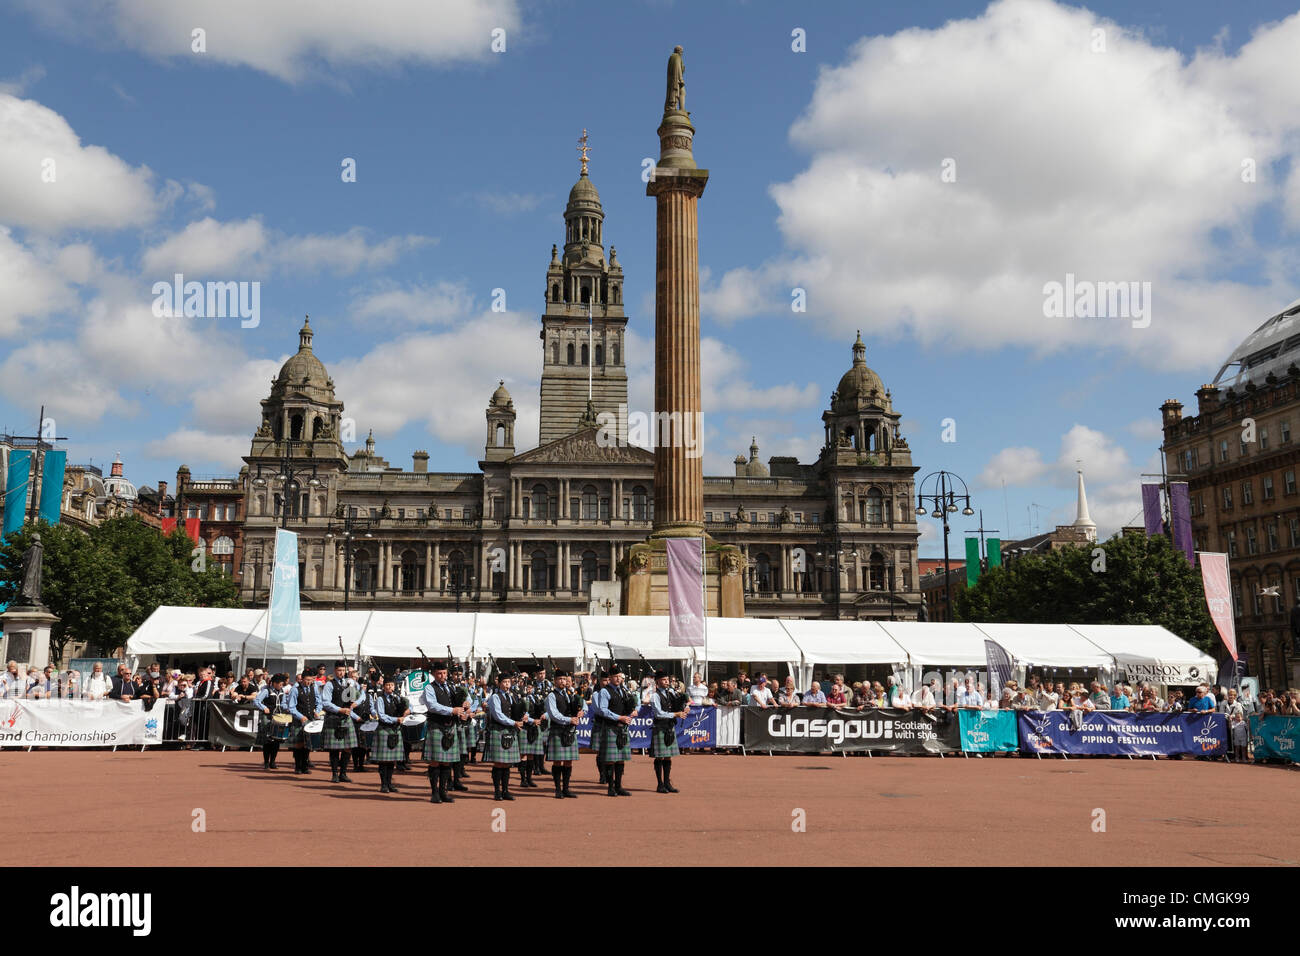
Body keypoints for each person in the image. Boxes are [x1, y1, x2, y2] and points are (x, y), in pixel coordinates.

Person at [422, 662, 462, 804]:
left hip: (450, 726)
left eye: (444, 673)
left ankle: (443, 792)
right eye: (439, 673)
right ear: (433, 673)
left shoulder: (450, 686)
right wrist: (452, 711)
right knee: (435, 762)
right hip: (437, 726)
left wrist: (465, 707)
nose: (443, 676)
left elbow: (463, 698)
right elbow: (432, 706)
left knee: (447, 762)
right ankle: (434, 793)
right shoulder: (429, 688)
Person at [485, 673, 529, 801]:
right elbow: (498, 715)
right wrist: (513, 723)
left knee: (507, 764)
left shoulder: (514, 696)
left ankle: (505, 790)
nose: (507, 685)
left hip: (511, 731)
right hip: (499, 730)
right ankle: (497, 791)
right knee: (499, 763)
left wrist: (524, 716)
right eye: (504, 682)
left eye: (508, 682)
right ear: (499, 683)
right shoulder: (495, 697)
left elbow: (519, 710)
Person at [594, 665, 636, 797]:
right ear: (610, 678)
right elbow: (603, 710)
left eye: (620, 677)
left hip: (622, 728)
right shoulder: (605, 692)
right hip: (611, 727)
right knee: (610, 759)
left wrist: (634, 710)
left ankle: (619, 786)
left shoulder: (623, 690)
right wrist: (620, 717)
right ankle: (610, 787)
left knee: (621, 759)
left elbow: (634, 703)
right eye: (615, 677)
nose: (618, 679)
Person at [545, 670, 585, 799]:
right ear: (555, 681)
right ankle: (557, 790)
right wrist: (569, 719)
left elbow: (583, 705)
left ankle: (566, 789)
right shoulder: (551, 695)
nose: (563, 681)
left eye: (564, 679)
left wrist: (581, 711)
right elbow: (554, 714)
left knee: (568, 761)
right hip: (558, 729)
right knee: (557, 761)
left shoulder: (570, 694)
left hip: (570, 730)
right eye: (560, 679)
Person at [320, 660, 360, 784]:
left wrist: (355, 701)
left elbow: (360, 695)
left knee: (348, 748)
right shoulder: (329, 685)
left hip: (346, 719)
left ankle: (343, 773)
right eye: (339, 670)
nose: (341, 673)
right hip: (334, 718)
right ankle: (334, 774)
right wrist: (340, 709)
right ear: (335, 671)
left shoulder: (350, 683)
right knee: (334, 749)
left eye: (343, 670)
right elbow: (325, 702)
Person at [650, 670, 687, 794]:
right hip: (660, 727)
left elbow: (678, 704)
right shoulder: (655, 696)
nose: (667, 682)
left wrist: (684, 707)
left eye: (668, 680)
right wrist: (675, 714)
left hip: (670, 727)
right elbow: (658, 713)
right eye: (664, 680)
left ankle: (667, 783)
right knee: (659, 757)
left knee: (668, 757)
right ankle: (659, 784)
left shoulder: (670, 692)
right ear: (658, 682)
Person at [373, 677, 408, 793]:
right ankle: (383, 785)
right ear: (384, 686)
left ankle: (389, 783)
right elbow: (382, 716)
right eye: (387, 685)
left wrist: (408, 711)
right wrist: (396, 719)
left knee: (392, 760)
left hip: (395, 730)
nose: (390, 687)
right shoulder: (380, 699)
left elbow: (408, 706)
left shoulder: (397, 698)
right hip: (384, 729)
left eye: (391, 685)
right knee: (384, 760)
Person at [253, 674, 289, 771]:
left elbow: (283, 703)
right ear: (274, 683)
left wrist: (286, 708)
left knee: (277, 740)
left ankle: (273, 762)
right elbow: (256, 701)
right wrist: (264, 708)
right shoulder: (266, 690)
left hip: (278, 717)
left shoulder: (282, 691)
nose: (281, 686)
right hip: (267, 718)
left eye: (282, 684)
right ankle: (266, 762)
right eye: (280, 684)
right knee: (268, 741)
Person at [286, 669, 319, 774]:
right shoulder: (295, 689)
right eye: (307, 680)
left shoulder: (314, 688)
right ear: (302, 679)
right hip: (298, 721)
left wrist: (317, 711)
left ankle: (305, 766)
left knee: (307, 744)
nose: (309, 682)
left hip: (310, 720)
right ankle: (298, 766)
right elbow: (291, 707)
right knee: (299, 744)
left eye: (311, 680)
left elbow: (319, 702)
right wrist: (300, 716)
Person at [518, 681, 548, 790]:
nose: (529, 689)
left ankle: (529, 779)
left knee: (531, 755)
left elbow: (545, 709)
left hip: (535, 728)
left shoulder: (537, 698)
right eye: (527, 687)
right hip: (525, 728)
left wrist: (545, 715)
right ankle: (523, 780)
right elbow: (521, 715)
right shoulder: (521, 698)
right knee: (523, 755)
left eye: (530, 687)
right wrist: (532, 721)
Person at [589, 669, 611, 784]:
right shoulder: (596, 694)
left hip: (610, 724)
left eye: (608, 680)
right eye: (604, 680)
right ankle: (602, 774)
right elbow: (599, 710)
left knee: (610, 751)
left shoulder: (613, 692)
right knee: (600, 752)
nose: (606, 682)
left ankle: (608, 774)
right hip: (600, 723)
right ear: (599, 681)